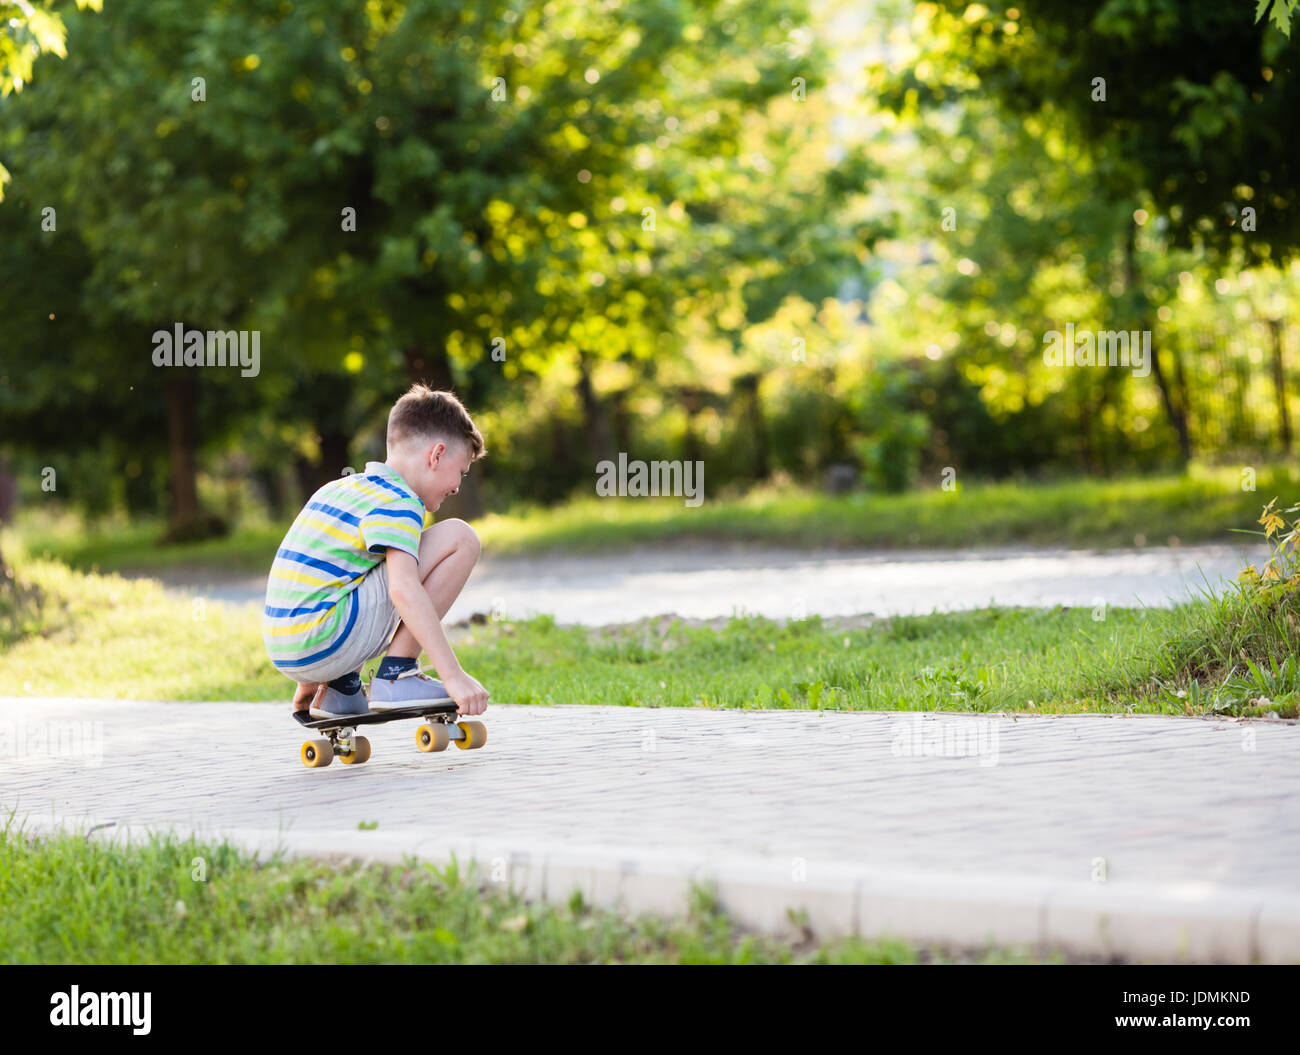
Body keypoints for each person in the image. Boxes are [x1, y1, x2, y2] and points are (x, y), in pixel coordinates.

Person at [262, 383, 490, 719]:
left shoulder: (340, 490)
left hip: (287, 647)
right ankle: (397, 674)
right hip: (326, 639)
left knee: (366, 563)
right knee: (461, 538)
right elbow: (403, 590)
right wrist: (452, 677)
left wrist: (311, 674)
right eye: (461, 471)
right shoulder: (400, 502)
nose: (457, 485)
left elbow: (308, 574)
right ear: (436, 454)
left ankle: (340, 687)